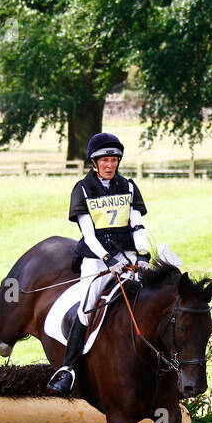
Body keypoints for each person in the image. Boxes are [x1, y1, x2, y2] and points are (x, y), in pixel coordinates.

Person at [47, 132, 154, 396]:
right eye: (105, 160)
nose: (110, 164)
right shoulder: (82, 189)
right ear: (94, 163)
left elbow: (138, 225)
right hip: (96, 260)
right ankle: (68, 370)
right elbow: (89, 235)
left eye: (114, 160)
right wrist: (109, 260)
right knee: (87, 307)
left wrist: (142, 256)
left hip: (128, 256)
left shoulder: (129, 187)